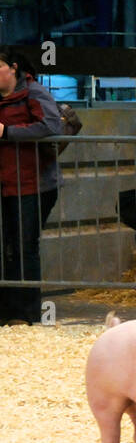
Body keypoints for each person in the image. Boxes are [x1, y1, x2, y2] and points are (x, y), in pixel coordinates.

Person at [0, 46, 63, 325]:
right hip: (5, 183)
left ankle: (25, 314)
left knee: (25, 246)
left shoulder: (34, 93)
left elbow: (51, 126)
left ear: (13, 68)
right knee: (6, 246)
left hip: (34, 183)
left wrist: (8, 132)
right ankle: (6, 311)